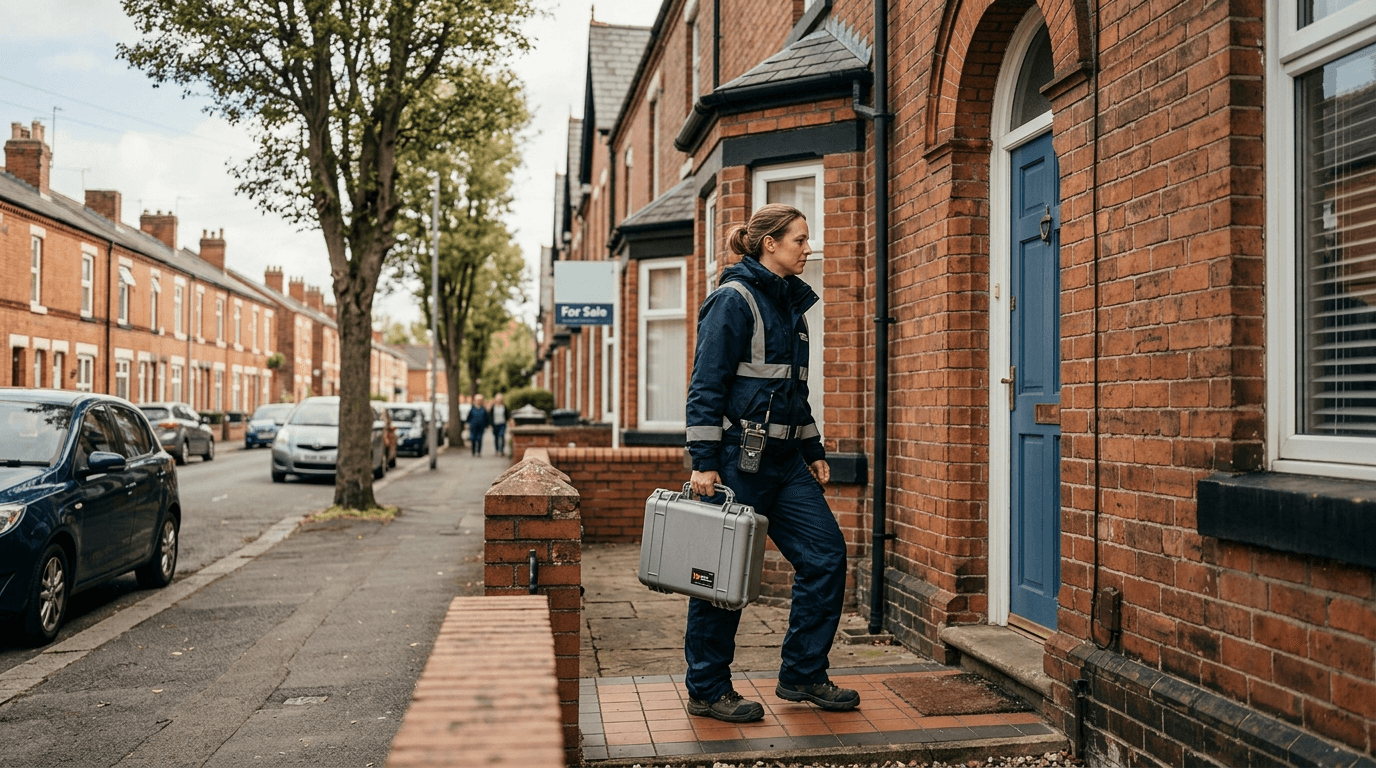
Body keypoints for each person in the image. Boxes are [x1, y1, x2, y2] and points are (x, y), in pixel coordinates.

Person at [683, 204, 857, 723]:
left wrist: (813, 449)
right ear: (770, 244)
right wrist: (704, 461)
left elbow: (792, 393)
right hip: (737, 462)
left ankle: (802, 673)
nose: (808, 248)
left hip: (785, 464)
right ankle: (708, 689)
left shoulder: (791, 307)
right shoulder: (732, 301)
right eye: (800, 240)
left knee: (825, 557)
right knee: (721, 574)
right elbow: (706, 386)